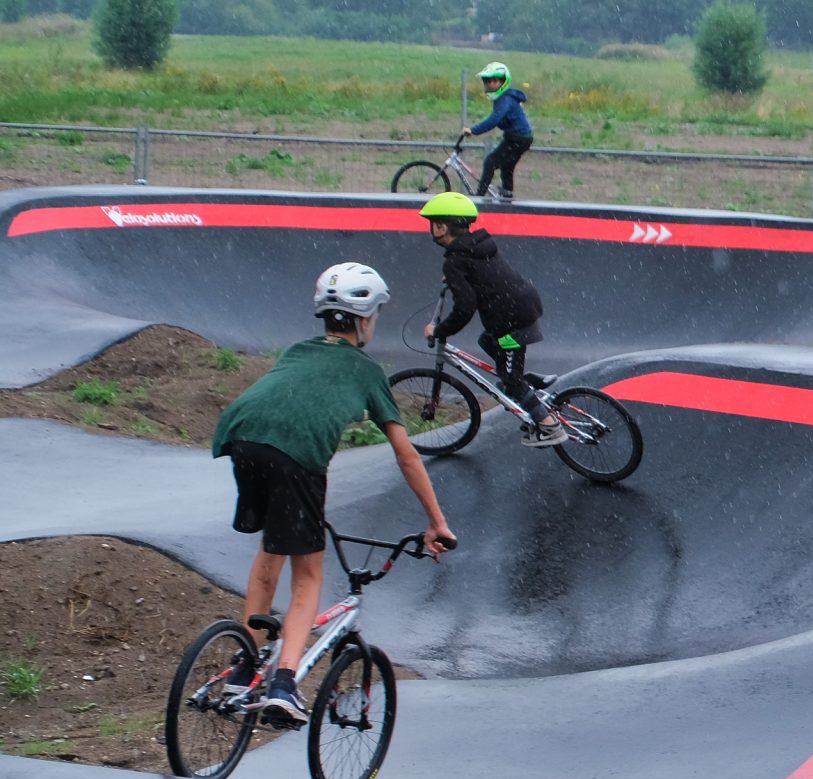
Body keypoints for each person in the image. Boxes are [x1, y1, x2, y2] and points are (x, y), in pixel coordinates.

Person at [212, 263, 456, 725]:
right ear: (363, 320)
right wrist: (437, 522)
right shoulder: (367, 371)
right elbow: (407, 455)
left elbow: (288, 396)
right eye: (376, 316)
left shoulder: (298, 350)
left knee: (270, 553)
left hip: (242, 439)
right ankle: (284, 684)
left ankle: (244, 669)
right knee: (308, 576)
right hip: (296, 455)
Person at [418, 191, 568, 447]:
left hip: (512, 326)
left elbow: (465, 308)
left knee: (510, 379)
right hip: (524, 308)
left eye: (432, 223)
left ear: (442, 226)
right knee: (487, 341)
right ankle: (526, 383)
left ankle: (549, 426)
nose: (430, 229)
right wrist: (457, 279)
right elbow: (483, 273)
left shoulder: (456, 261)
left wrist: (440, 331)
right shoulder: (477, 246)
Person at [462, 61, 533, 202]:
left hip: (519, 138)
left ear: (503, 82)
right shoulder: (503, 98)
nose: (489, 84)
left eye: (494, 81)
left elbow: (494, 120)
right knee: (507, 166)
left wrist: (473, 130)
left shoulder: (505, 99)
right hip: (517, 137)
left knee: (490, 162)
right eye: (487, 81)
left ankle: (479, 198)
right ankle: (507, 196)